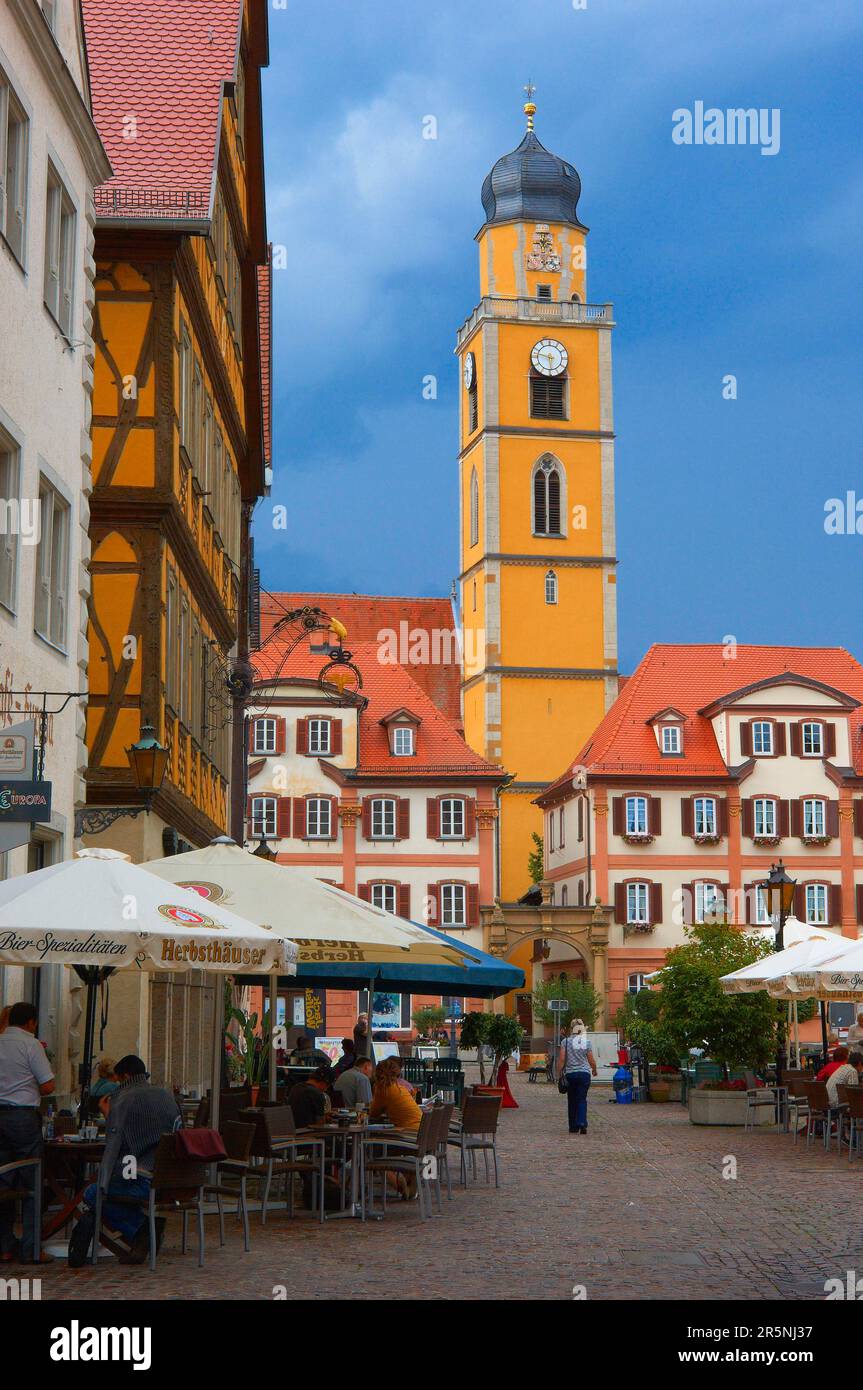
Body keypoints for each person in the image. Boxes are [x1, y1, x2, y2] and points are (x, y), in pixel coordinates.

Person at [68, 1054, 181, 1268]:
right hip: (170, 1179)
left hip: (143, 1179)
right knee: (111, 1193)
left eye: (118, 1080)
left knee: (94, 1194)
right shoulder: (166, 1096)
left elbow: (113, 1146)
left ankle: (142, 1230)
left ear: (126, 1076)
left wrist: (102, 1182)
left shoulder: (123, 1099)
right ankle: (143, 1234)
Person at [0, 1002, 55, 1264]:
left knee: (3, 1181)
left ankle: (4, 1245)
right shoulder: (30, 1045)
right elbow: (47, 1086)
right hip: (22, 1116)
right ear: (31, 1022)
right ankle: (31, 1249)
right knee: (32, 1181)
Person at [558, 1019, 597, 1135]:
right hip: (584, 1074)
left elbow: (561, 1059)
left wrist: (559, 1073)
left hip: (571, 1074)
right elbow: (591, 1060)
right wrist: (594, 1069)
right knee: (582, 1099)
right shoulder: (586, 1042)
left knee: (572, 1100)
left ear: (571, 1028)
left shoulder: (565, 1042)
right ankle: (582, 1123)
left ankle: (573, 1126)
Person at [369, 1057, 422, 1132]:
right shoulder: (399, 1088)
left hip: (409, 1134)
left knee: (375, 1135)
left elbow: (373, 1114)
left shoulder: (382, 1089)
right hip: (420, 1129)